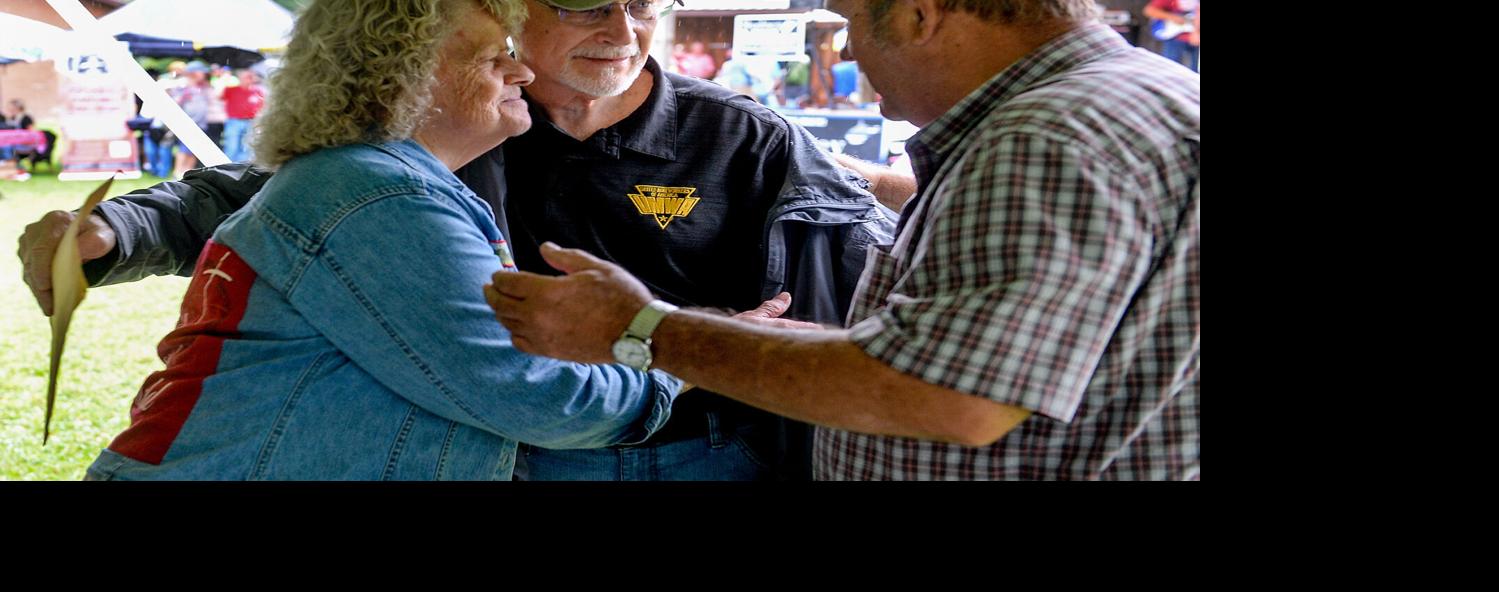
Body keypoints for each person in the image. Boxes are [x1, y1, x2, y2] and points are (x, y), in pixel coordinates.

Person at [18, 0, 894, 482]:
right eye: (587, 2)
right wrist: (110, 233)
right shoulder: (431, 146)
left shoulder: (748, 135)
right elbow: (261, 189)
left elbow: (861, 239)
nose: (622, 30)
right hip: (529, 452)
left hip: (708, 450)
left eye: (643, 4)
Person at [484, 0, 1200, 480]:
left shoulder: (1047, 137)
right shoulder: (1117, 105)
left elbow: (946, 397)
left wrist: (638, 330)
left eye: (853, 18)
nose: (851, 50)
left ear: (919, 14)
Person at [82, 0, 680, 480]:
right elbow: (542, 398)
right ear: (403, 75)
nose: (521, 71)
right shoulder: (380, 195)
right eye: (493, 57)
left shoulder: (367, 179)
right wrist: (687, 351)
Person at [171, 60, 213, 174]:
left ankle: (188, 173)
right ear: (194, 72)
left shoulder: (204, 86)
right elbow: (175, 102)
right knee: (184, 149)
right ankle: (178, 172)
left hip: (201, 123)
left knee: (195, 149)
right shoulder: (183, 85)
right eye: (202, 72)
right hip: (187, 123)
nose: (205, 75)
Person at [220, 68, 267, 163]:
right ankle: (228, 166)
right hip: (234, 121)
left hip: (250, 121)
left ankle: (241, 168)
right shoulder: (231, 89)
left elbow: (262, 106)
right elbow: (218, 96)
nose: (249, 79)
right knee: (232, 146)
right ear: (240, 78)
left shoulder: (257, 91)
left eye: (251, 77)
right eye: (247, 77)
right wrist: (223, 79)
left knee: (247, 148)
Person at [1142, 0, 1198, 71]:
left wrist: (1196, 32)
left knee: (1194, 71)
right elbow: (1149, 10)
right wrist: (1172, 17)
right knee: (1170, 68)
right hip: (1174, 38)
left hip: (1195, 40)